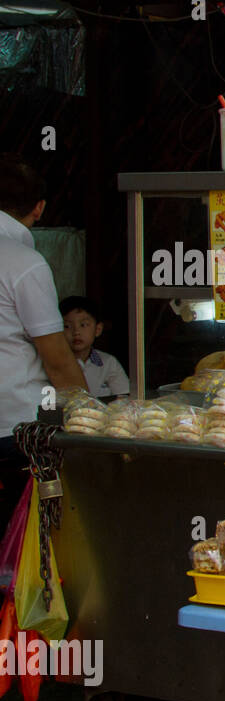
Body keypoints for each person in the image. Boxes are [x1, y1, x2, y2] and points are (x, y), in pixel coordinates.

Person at [0, 153, 86, 525]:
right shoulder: (23, 262)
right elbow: (57, 359)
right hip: (15, 433)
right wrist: (88, 419)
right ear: (39, 208)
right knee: (21, 545)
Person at [60, 296, 130, 399]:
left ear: (98, 329)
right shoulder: (55, 363)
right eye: (67, 326)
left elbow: (124, 398)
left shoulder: (109, 363)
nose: (76, 332)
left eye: (83, 325)